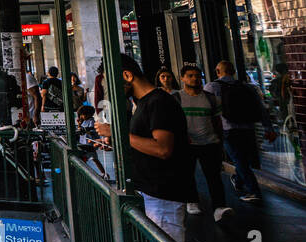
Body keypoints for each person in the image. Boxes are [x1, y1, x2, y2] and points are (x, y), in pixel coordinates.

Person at [95, 53, 195, 208]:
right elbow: (142, 141)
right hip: (151, 193)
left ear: (127, 75)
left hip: (163, 196)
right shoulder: (144, 103)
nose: (110, 90)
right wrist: (115, 140)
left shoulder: (158, 102)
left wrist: (115, 133)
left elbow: (163, 149)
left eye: (110, 84)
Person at [206, 60, 277, 204]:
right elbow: (261, 109)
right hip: (248, 129)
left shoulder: (212, 87)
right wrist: (268, 128)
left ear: (218, 72)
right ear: (233, 71)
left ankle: (253, 191)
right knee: (243, 160)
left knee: (239, 160)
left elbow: (206, 109)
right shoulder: (248, 87)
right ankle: (238, 180)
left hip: (228, 129)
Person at [178, 64, 232, 222]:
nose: (194, 78)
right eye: (190, 75)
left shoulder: (211, 98)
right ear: (182, 78)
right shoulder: (177, 98)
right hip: (188, 144)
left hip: (209, 142)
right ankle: (192, 200)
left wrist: (220, 141)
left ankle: (219, 207)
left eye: (197, 75)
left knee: (214, 176)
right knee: (188, 174)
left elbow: (217, 122)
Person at [74, 105, 108, 177]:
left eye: (83, 115)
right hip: (84, 143)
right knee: (93, 159)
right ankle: (103, 173)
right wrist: (79, 124)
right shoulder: (84, 121)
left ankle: (103, 173)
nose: (82, 117)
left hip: (90, 144)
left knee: (92, 158)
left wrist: (85, 130)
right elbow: (80, 128)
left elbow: (91, 129)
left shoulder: (91, 121)